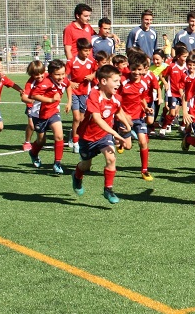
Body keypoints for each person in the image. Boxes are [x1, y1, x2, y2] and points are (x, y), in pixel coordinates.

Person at [71, 65, 131, 204]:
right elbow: (97, 119)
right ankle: (77, 177)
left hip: (104, 135)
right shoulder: (94, 94)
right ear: (103, 81)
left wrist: (127, 124)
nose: (119, 83)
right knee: (85, 165)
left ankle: (108, 190)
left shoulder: (116, 98)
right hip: (87, 137)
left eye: (119, 80)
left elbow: (118, 111)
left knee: (111, 158)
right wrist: (115, 133)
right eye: (115, 81)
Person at [117, 50, 155, 181]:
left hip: (139, 116)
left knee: (143, 142)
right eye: (134, 69)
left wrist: (146, 108)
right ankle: (120, 141)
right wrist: (123, 114)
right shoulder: (122, 81)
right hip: (124, 116)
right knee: (128, 146)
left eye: (139, 69)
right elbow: (116, 99)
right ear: (129, 68)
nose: (137, 73)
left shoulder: (144, 82)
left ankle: (144, 170)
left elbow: (142, 97)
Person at [27, 59, 69, 174]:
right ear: (50, 74)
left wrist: (69, 101)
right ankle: (33, 153)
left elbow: (68, 85)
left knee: (59, 136)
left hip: (54, 112)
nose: (61, 77)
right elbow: (34, 95)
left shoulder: (64, 79)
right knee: (41, 141)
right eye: (57, 74)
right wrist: (50, 100)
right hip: (39, 114)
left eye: (63, 74)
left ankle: (57, 163)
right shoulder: (45, 83)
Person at [65, 38, 97, 154]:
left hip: (86, 92)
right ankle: (75, 142)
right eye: (85, 51)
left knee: (82, 119)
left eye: (89, 51)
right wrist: (70, 83)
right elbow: (64, 76)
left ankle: (74, 135)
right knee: (77, 118)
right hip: (74, 92)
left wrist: (92, 76)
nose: (87, 53)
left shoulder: (91, 61)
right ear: (78, 50)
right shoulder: (71, 61)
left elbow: (97, 71)